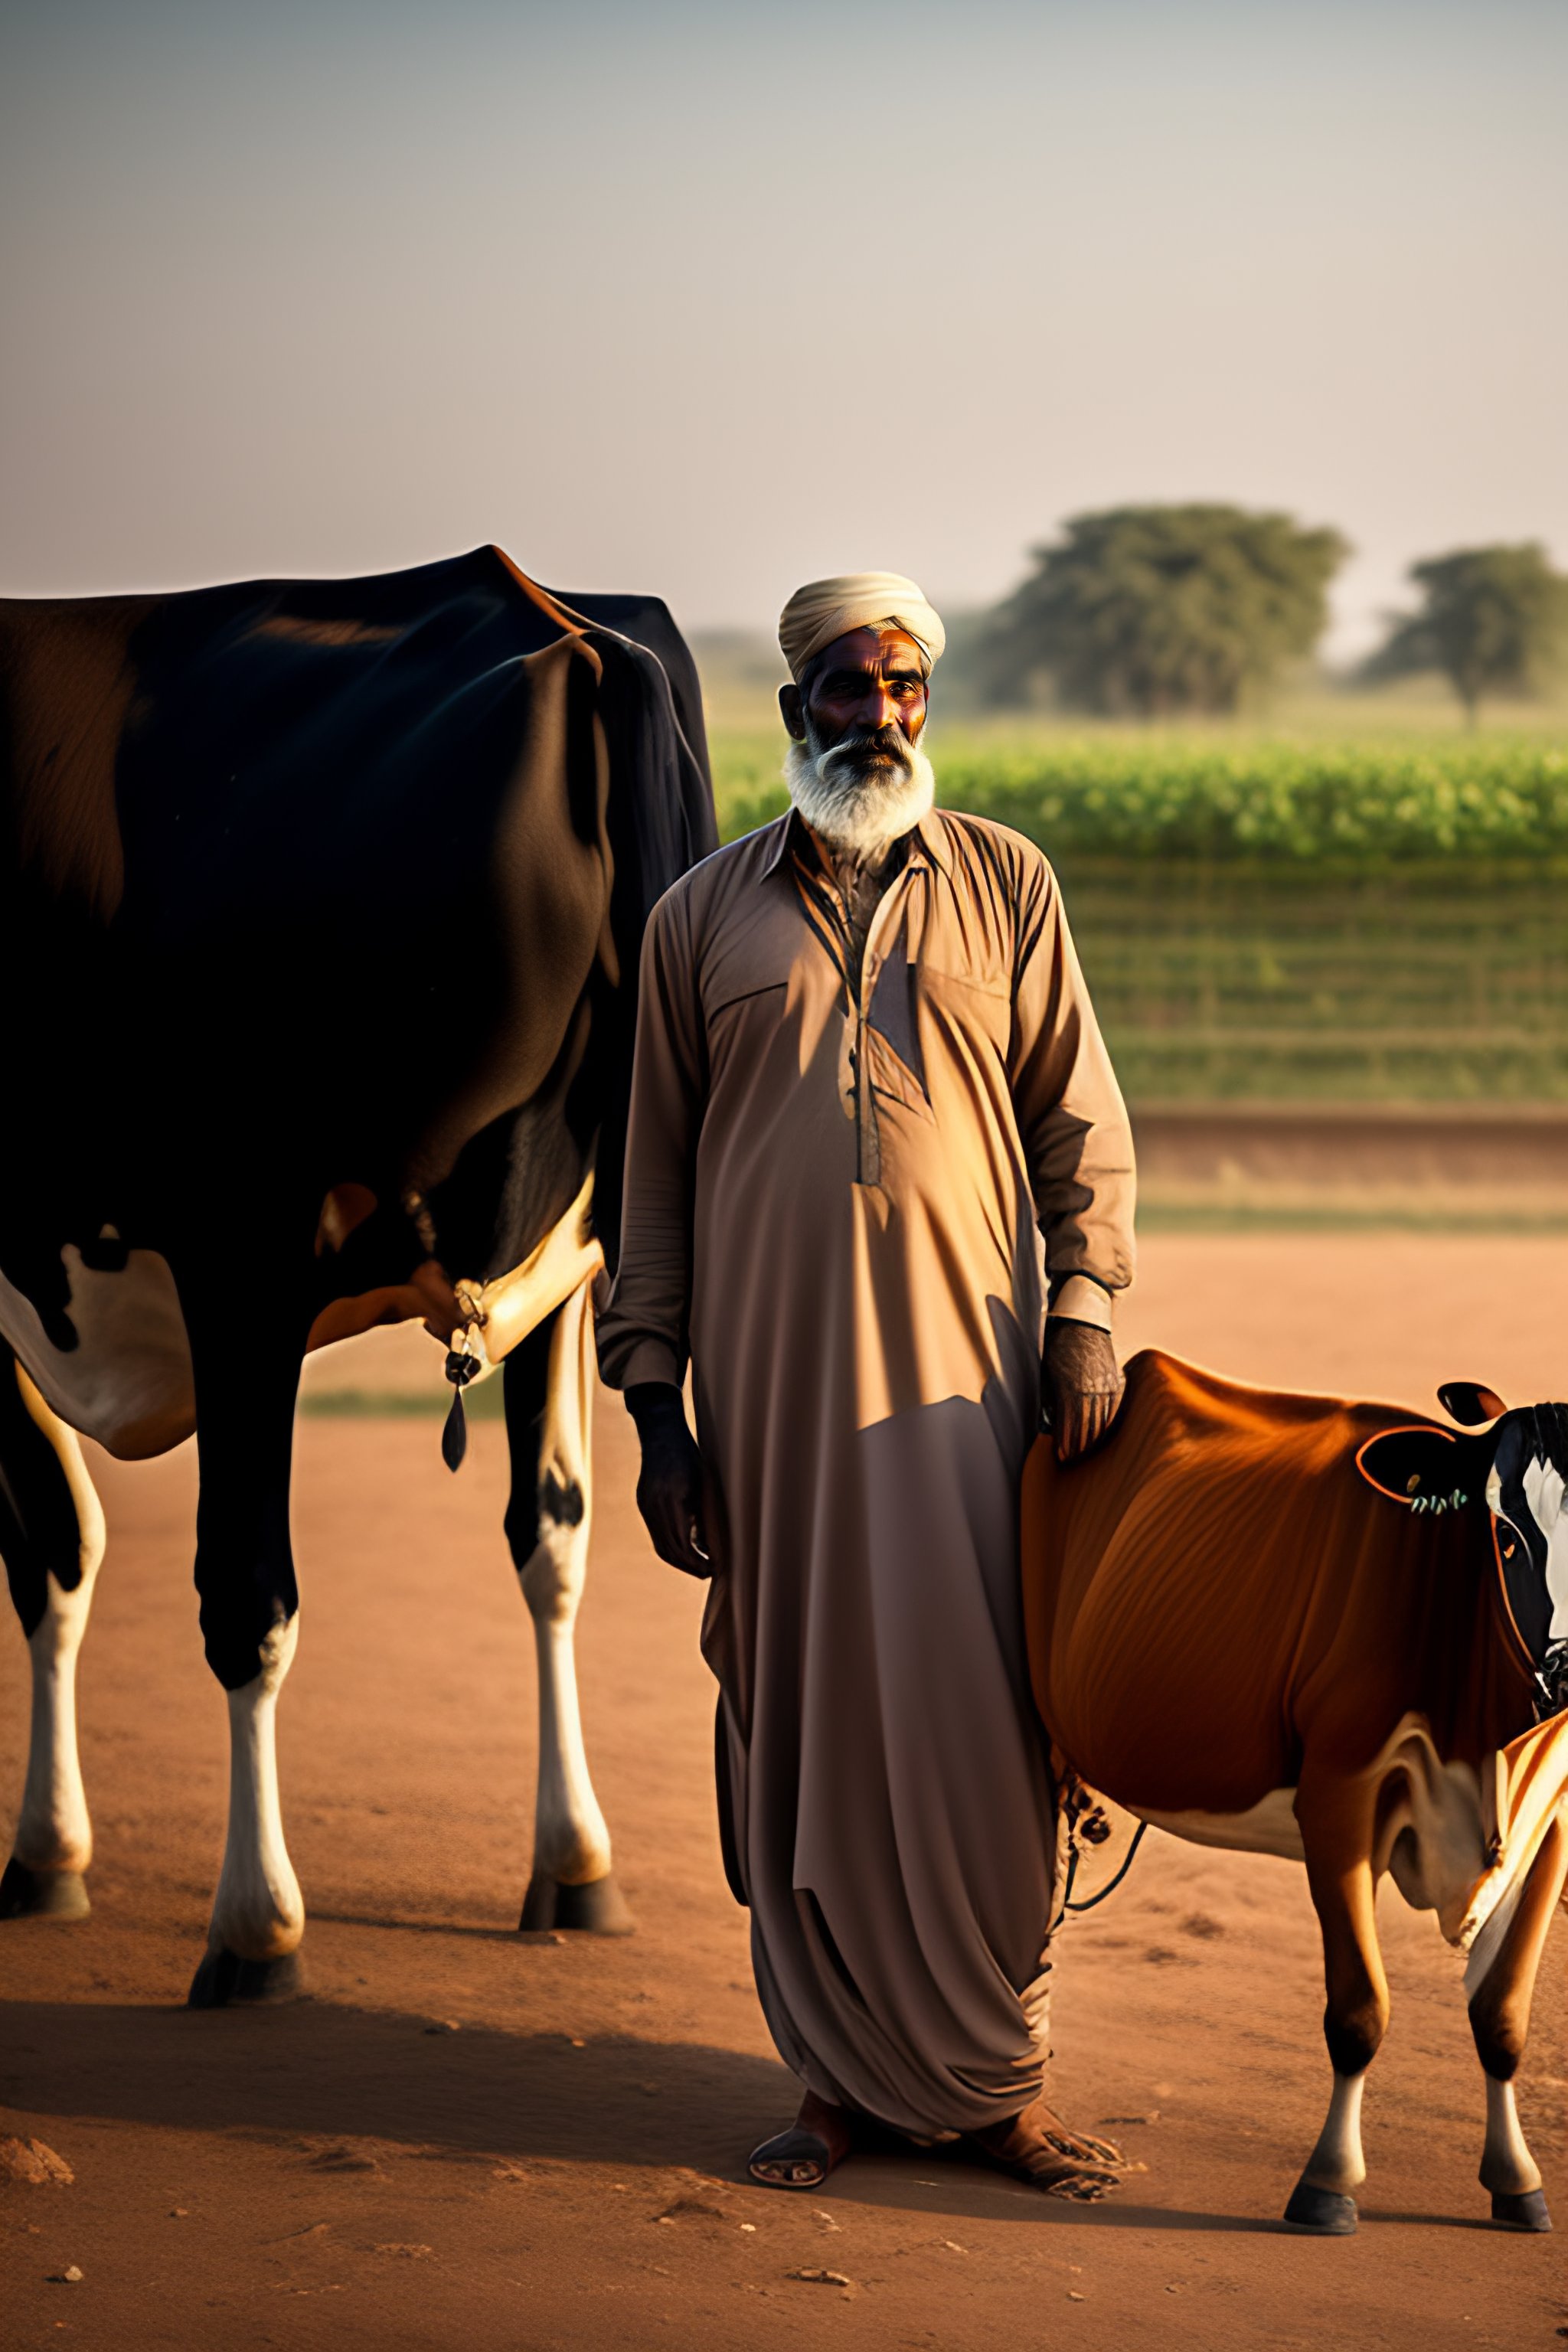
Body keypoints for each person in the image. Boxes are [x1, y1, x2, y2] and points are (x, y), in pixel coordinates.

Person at [596, 572, 1136, 2196]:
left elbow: (1078, 1121)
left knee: (989, 1727)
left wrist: (1086, 1314)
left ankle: (999, 2087)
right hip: (772, 1416)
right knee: (803, 1728)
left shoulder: (1006, 884)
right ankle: (830, 2084)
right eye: (850, 687)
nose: (882, 717)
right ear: (794, 711)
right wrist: (655, 1415)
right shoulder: (699, 919)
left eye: (904, 687)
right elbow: (652, 1189)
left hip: (971, 1398)